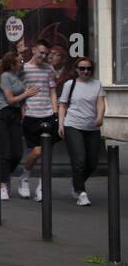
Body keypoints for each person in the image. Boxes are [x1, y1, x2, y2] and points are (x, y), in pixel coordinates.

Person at [58, 58, 107, 206]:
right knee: (79, 160)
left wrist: (100, 117)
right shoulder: (70, 84)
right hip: (73, 125)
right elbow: (62, 105)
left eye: (89, 69)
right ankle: (81, 193)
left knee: (92, 162)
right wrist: (61, 124)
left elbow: (100, 103)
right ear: (77, 69)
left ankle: (76, 183)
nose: (86, 71)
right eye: (82, 68)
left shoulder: (97, 84)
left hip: (92, 127)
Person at [0, 50, 36, 201]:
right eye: (20, 61)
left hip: (15, 114)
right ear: (12, 64)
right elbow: (10, 99)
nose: (22, 63)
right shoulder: (5, 76)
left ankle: (3, 175)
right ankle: (3, 184)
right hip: (2, 113)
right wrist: (27, 94)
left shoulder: (19, 76)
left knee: (17, 152)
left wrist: (23, 106)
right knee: (6, 152)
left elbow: (19, 100)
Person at [17, 40, 59, 201]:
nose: (43, 56)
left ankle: (42, 186)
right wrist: (22, 110)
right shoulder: (24, 69)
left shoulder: (49, 69)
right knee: (37, 152)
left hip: (47, 114)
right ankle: (24, 177)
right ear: (34, 50)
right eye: (41, 52)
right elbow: (18, 91)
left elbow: (53, 92)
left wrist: (55, 113)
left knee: (46, 153)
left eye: (46, 54)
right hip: (31, 116)